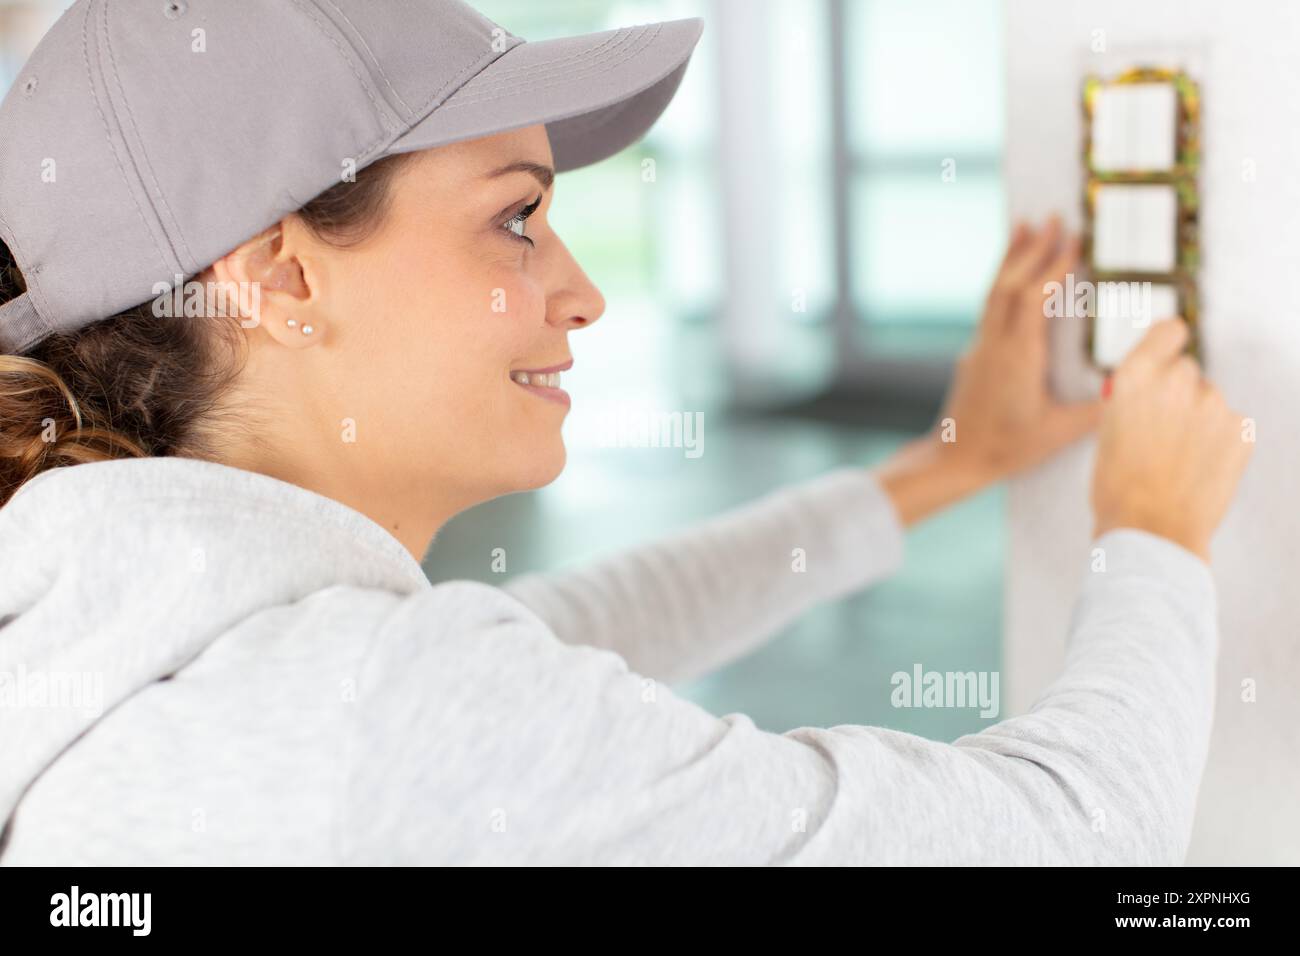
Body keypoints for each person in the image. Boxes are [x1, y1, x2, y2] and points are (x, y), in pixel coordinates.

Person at [0, 0, 1250, 865]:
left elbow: (576, 627)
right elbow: (1078, 839)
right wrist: (1151, 526)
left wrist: (948, 465)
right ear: (278, 280)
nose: (582, 290)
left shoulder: (116, 646)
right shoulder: (366, 711)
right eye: (517, 217)